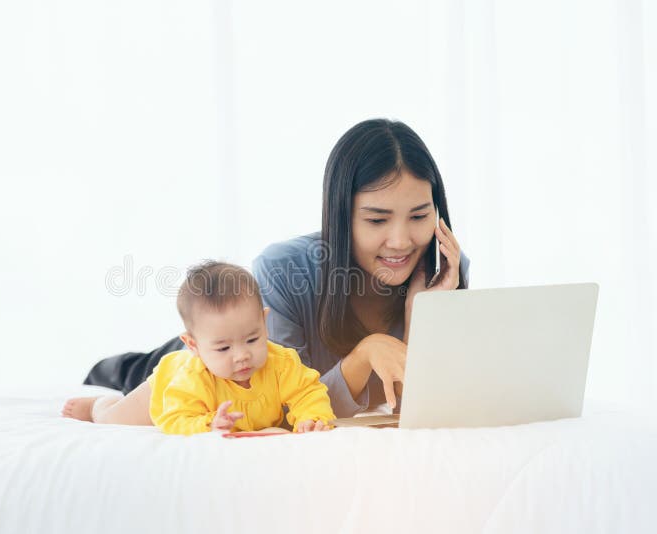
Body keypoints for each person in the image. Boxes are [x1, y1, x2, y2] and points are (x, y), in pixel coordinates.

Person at [82, 118, 469, 418]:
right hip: (221, 358)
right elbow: (278, 408)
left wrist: (423, 317)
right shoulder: (284, 269)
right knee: (155, 374)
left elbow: (419, 406)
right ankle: (117, 369)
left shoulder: (440, 272)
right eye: (376, 221)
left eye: (419, 216)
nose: (402, 241)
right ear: (339, 217)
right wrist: (362, 355)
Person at [63, 261, 336, 435]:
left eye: (252, 339)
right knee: (113, 421)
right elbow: (175, 417)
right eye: (223, 348)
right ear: (193, 345)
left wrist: (312, 417)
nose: (241, 355)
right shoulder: (190, 379)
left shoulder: (281, 362)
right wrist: (206, 424)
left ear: (264, 324)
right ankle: (98, 406)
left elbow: (307, 392)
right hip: (165, 390)